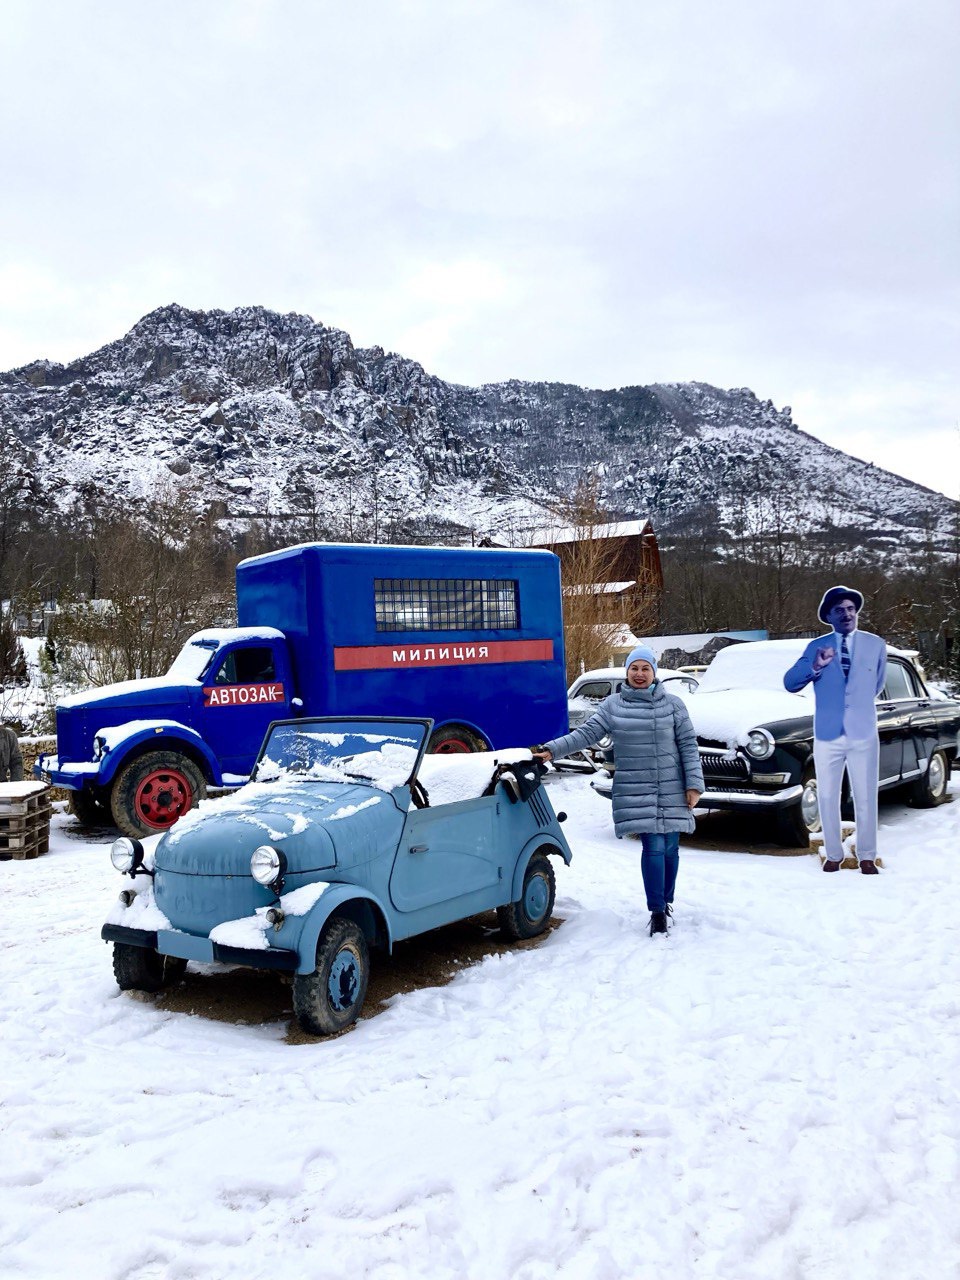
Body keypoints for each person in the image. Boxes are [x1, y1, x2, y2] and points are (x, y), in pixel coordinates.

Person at [533, 644, 703, 935]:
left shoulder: (673, 705)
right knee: (654, 847)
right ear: (627, 672)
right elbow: (585, 734)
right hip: (636, 788)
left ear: (654, 672)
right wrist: (551, 751)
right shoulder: (613, 706)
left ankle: (667, 900)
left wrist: (694, 785)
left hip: (673, 786)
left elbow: (688, 745)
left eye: (645, 668)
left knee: (671, 849)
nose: (639, 674)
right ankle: (658, 911)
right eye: (634, 668)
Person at [783, 585, 887, 874]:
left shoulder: (875, 644)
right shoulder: (816, 647)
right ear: (828, 615)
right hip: (828, 733)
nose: (847, 614)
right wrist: (815, 667)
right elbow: (790, 682)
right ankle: (833, 855)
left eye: (851, 608)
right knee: (828, 795)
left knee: (866, 794)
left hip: (863, 732)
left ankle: (867, 855)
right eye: (839, 610)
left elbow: (876, 685)